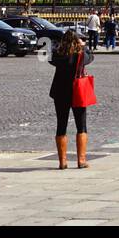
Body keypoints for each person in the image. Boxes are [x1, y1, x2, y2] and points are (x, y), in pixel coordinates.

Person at [49, 29, 92, 169]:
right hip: (77, 91)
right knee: (81, 125)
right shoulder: (80, 54)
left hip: (60, 92)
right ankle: (81, 160)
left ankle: (62, 161)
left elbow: (49, 57)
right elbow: (91, 56)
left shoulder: (58, 54)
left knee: (61, 125)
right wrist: (83, 45)